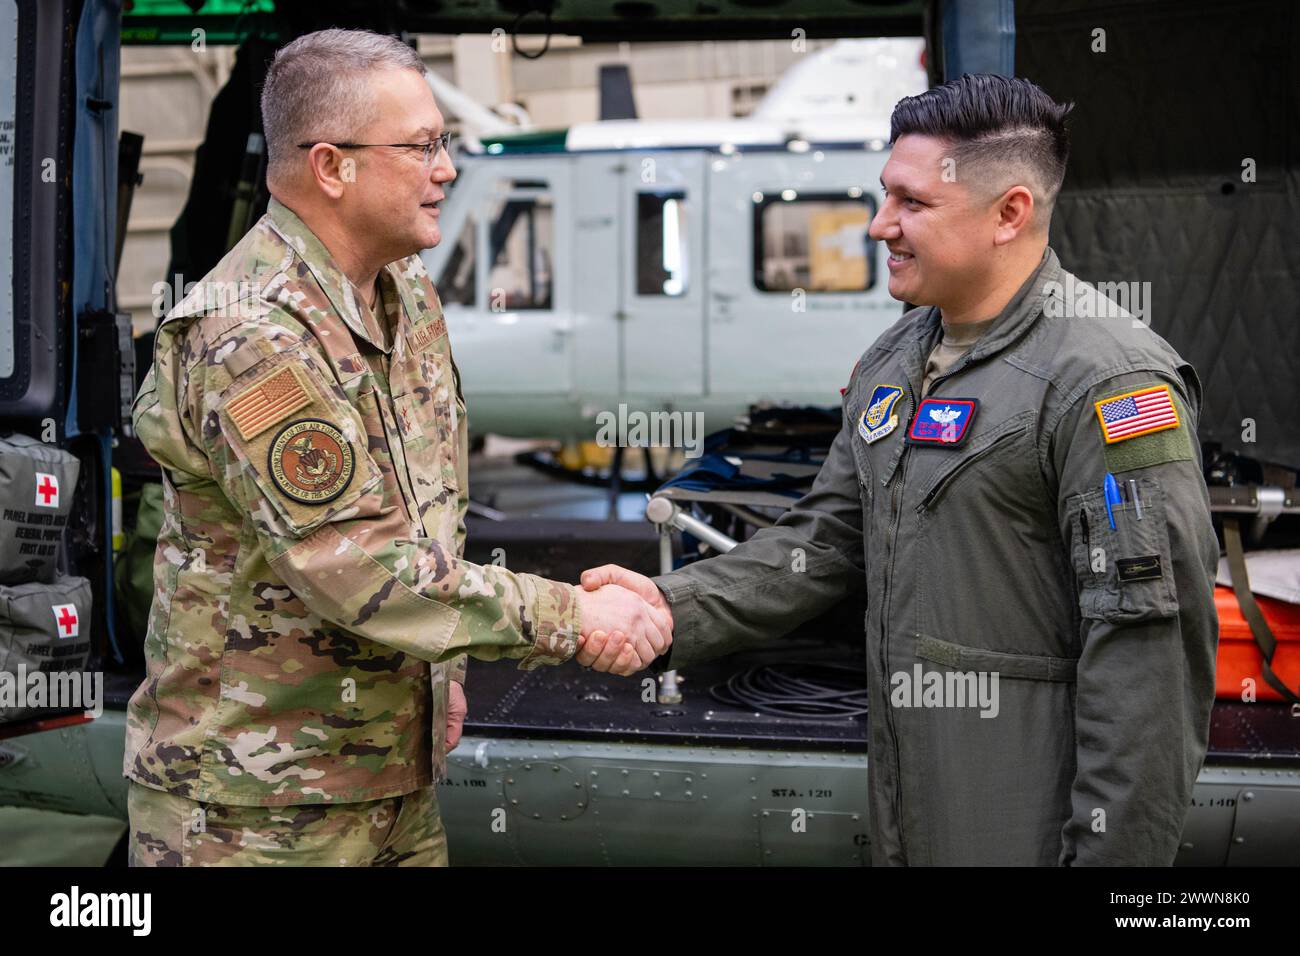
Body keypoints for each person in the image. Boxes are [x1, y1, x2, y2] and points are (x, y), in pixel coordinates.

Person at [579, 74, 1219, 866]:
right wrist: (673, 606)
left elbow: (1148, 669)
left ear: (1009, 213)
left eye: (911, 204)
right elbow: (828, 538)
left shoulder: (1107, 383)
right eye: (884, 196)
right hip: (909, 811)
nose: (879, 226)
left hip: (1028, 827)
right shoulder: (897, 357)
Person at [124, 28, 669, 867]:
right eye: (421, 147)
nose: (446, 170)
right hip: (257, 807)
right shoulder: (251, 333)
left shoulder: (399, 288)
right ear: (333, 166)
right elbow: (365, 565)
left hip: (389, 776)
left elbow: (425, 508)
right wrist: (575, 617)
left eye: (441, 144)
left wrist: (438, 680)